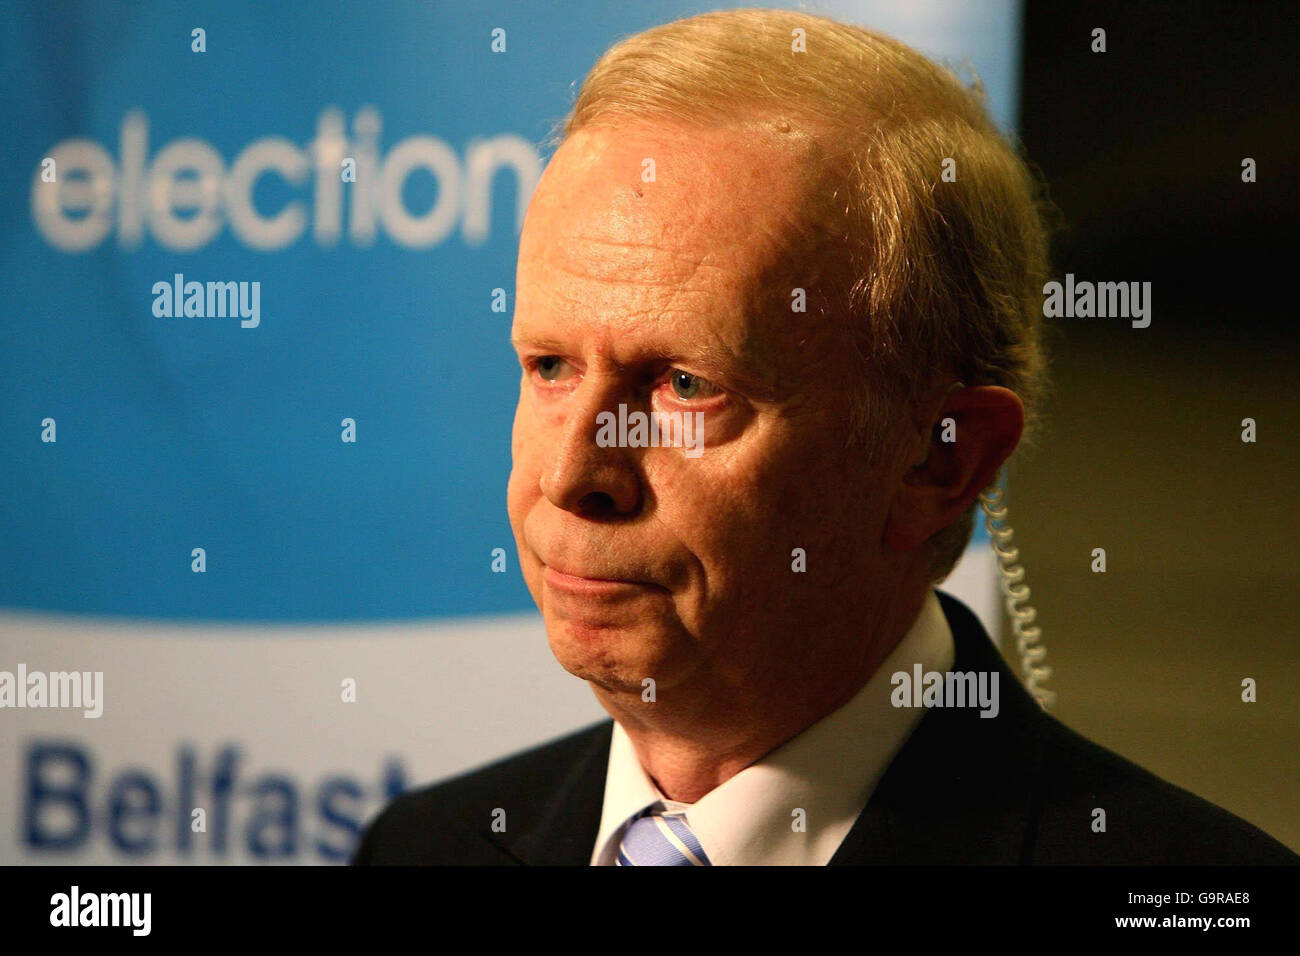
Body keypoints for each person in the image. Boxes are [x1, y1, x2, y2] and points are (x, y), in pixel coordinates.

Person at [353, 9, 1296, 865]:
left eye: (686, 385)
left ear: (941, 460)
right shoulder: (426, 848)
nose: (570, 474)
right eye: (550, 367)